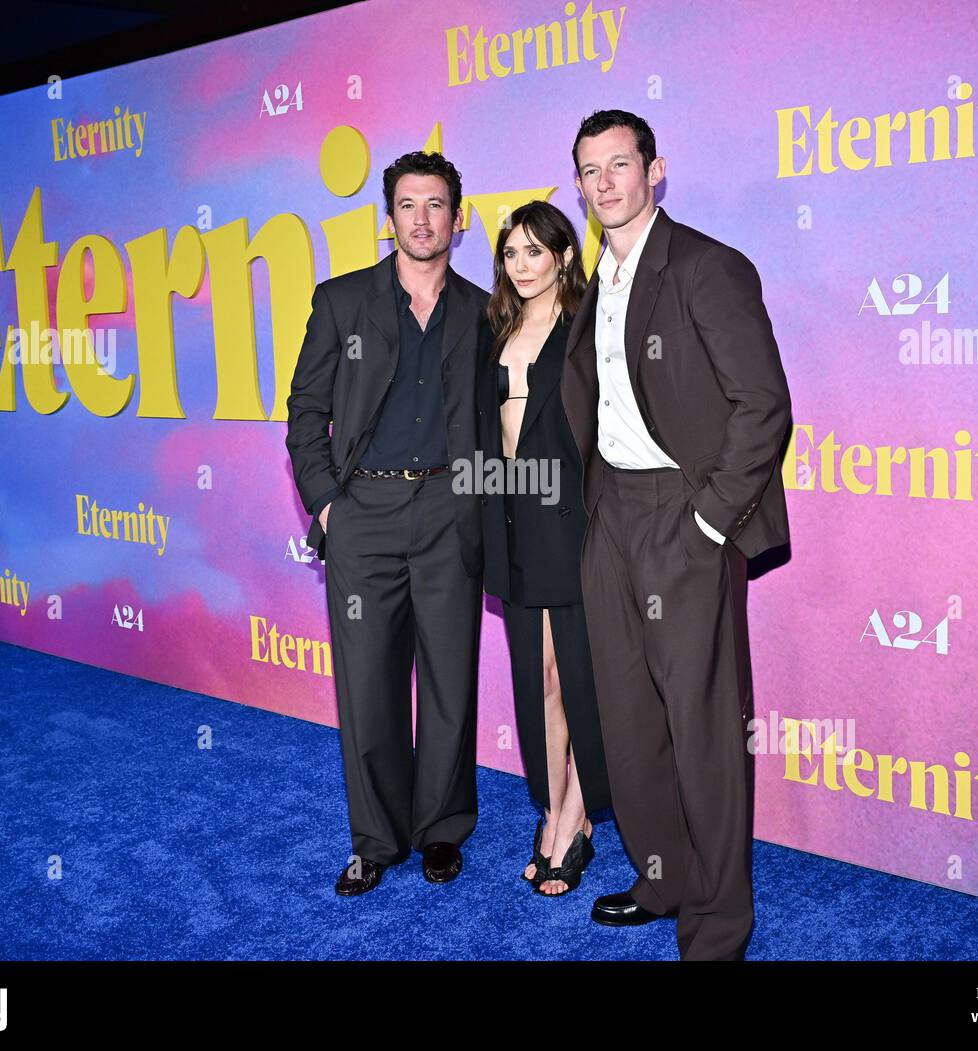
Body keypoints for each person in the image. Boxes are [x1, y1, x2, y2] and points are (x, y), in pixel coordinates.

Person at [558, 110, 793, 960]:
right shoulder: (597, 282)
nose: (606, 181)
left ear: (656, 171)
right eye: (590, 169)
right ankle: (662, 877)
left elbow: (763, 403)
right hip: (611, 514)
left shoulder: (706, 266)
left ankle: (720, 922)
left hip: (680, 515)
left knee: (701, 725)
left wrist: (707, 518)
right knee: (627, 715)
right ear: (578, 185)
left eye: (621, 164)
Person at [285, 151, 488, 896]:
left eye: (437, 204)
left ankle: (441, 829)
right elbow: (306, 411)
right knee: (367, 682)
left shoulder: (480, 310)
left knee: (448, 681)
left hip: (448, 511)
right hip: (362, 513)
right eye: (408, 204)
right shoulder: (342, 302)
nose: (423, 218)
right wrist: (328, 504)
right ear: (389, 215)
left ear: (457, 217)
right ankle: (376, 839)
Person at [475, 201, 613, 897]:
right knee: (541, 679)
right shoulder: (497, 324)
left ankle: (571, 816)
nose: (522, 265)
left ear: (564, 253)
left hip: (570, 521)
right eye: (511, 253)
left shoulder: (589, 324)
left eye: (536, 251)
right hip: (513, 521)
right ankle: (560, 808)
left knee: (578, 677)